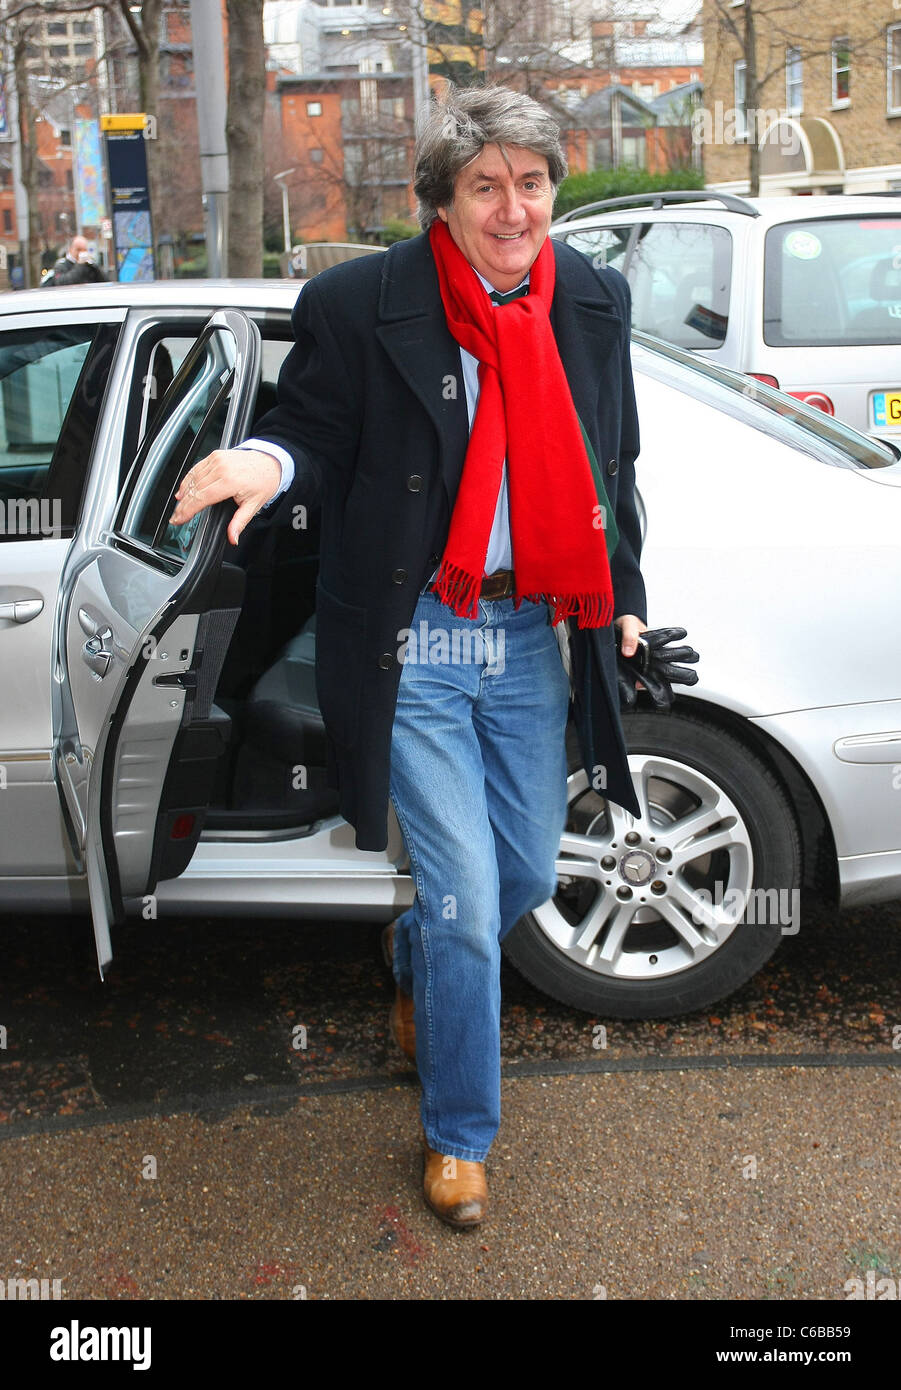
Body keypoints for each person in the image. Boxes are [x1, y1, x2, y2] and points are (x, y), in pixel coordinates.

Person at [168, 83, 647, 1230]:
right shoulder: (360, 301)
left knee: (520, 878)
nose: (512, 207)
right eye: (485, 184)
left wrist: (623, 597)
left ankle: (416, 958)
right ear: (442, 198)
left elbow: (610, 467)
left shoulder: (589, 297)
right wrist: (262, 467)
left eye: (531, 182)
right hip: (416, 638)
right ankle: (460, 1139)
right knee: (471, 906)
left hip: (532, 628)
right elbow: (315, 437)